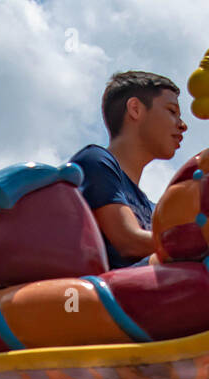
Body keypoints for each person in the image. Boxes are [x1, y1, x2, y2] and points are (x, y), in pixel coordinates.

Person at [68, 71, 187, 270]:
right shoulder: (96, 161)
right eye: (172, 111)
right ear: (135, 109)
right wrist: (199, 241)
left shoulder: (151, 208)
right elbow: (128, 241)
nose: (182, 125)